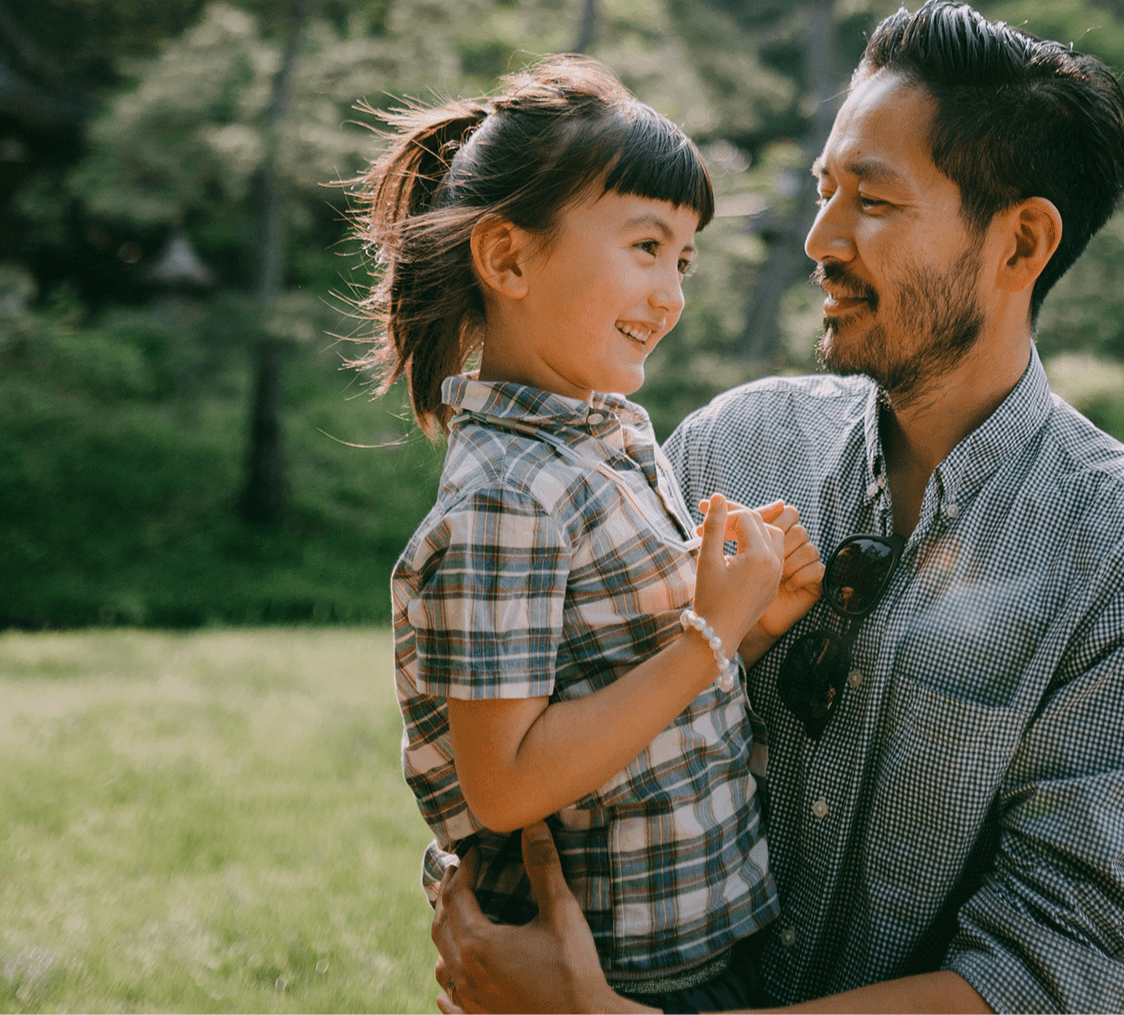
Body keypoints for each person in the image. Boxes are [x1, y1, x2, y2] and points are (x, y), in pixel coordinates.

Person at [428, 0, 1124, 1014]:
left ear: (1021, 245)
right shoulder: (731, 444)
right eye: (823, 190)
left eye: (873, 201)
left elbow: (1050, 974)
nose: (817, 237)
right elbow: (563, 735)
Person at [354, 56, 827, 1011]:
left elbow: (624, 690)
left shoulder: (606, 440)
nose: (671, 293)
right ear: (509, 259)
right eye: (646, 246)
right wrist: (709, 638)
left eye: (684, 259)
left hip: (705, 950)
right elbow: (506, 782)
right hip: (611, 977)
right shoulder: (507, 500)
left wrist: (750, 620)